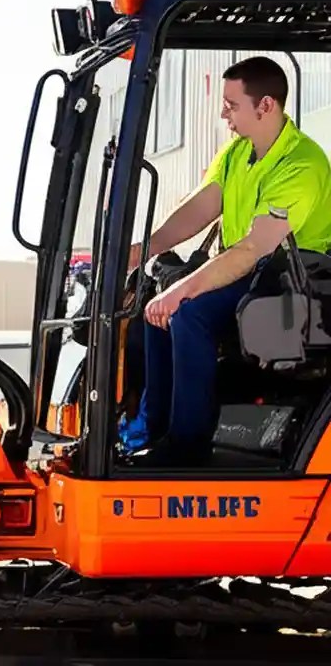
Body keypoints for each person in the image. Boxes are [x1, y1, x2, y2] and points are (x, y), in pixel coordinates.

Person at [123, 56, 331, 465]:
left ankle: (187, 446)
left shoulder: (302, 164)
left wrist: (185, 290)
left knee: (188, 312)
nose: (224, 114)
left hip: (291, 283)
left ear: (266, 105)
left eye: (232, 105)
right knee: (157, 305)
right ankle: (153, 432)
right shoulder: (237, 153)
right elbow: (199, 209)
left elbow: (256, 249)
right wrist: (139, 251)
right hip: (249, 272)